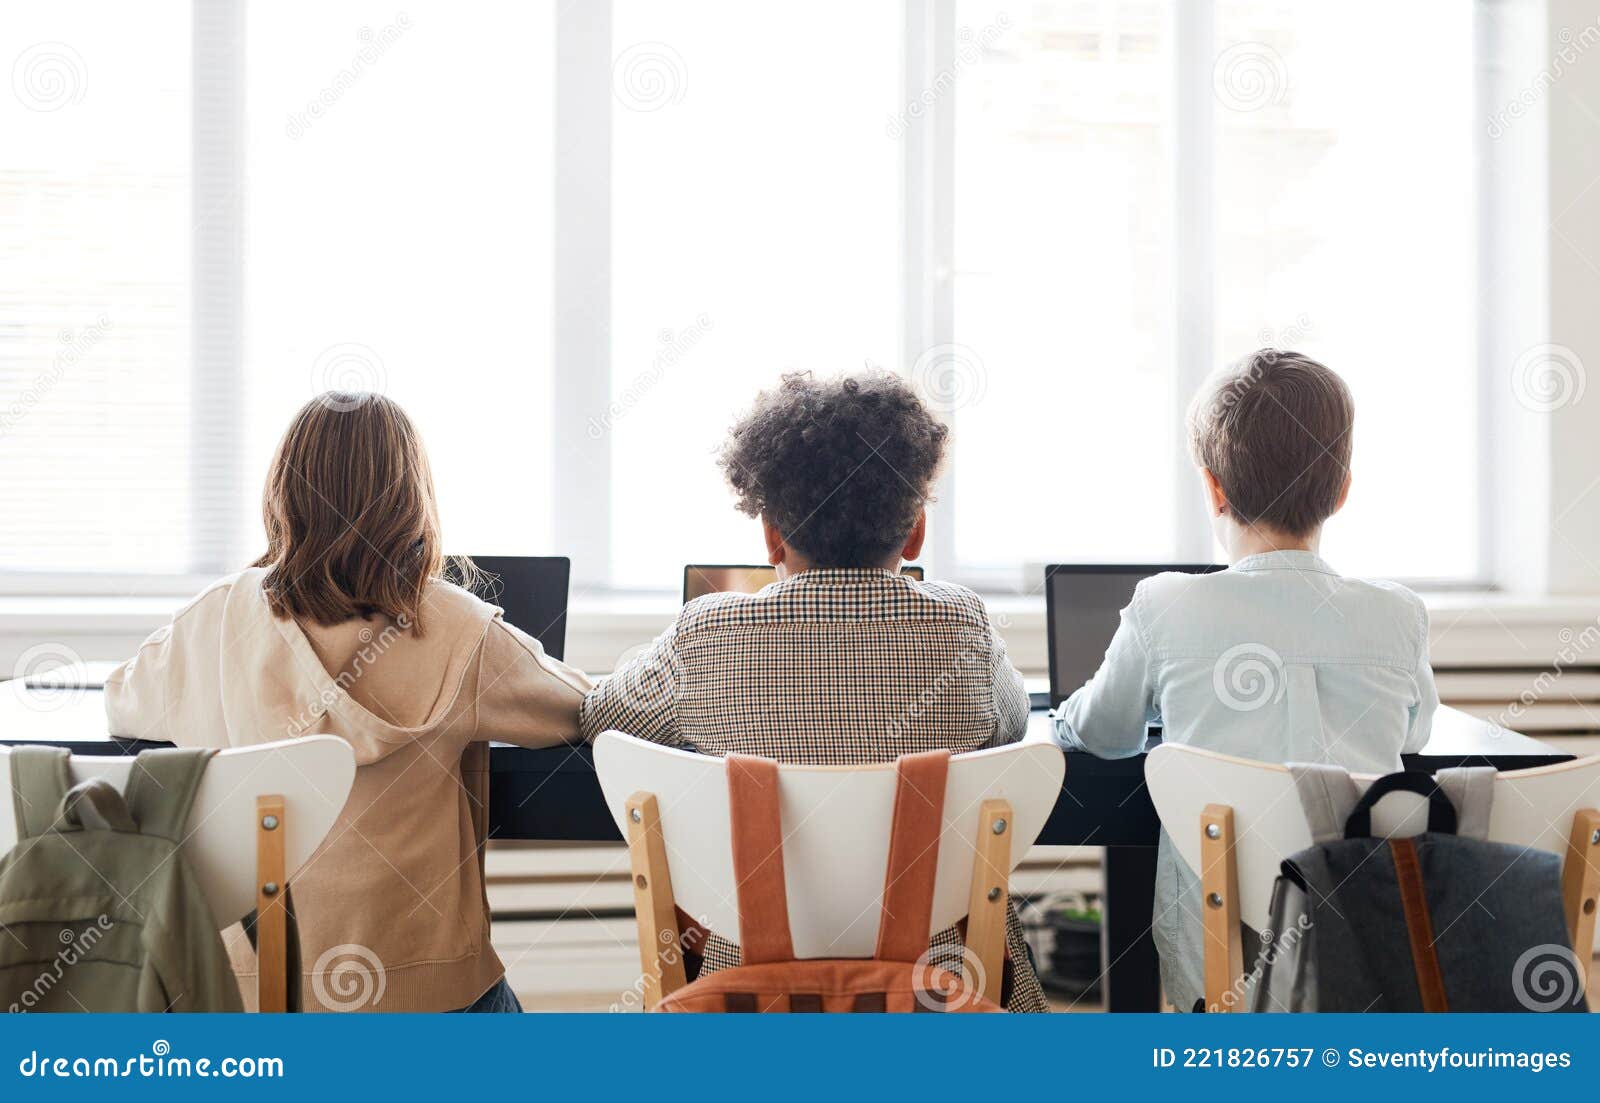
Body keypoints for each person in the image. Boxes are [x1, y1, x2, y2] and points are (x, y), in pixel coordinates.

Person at [105, 392, 591, 1012]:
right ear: (411, 496)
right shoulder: (458, 628)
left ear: (284, 492)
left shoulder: (215, 618)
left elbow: (123, 699)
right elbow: (581, 709)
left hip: (241, 996)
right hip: (422, 993)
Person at [580, 371, 1047, 1012]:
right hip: (938, 983)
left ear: (771, 534)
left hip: (745, 985)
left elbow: (599, 718)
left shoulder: (707, 634)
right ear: (915, 532)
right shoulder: (963, 628)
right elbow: (1010, 726)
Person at [1053, 349, 1439, 1012]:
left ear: (1212, 487)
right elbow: (1417, 731)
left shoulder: (1164, 604)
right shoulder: (1398, 613)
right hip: (1362, 948)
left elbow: (1104, 733)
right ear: (1343, 489)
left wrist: (1071, 713)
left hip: (1216, 958)